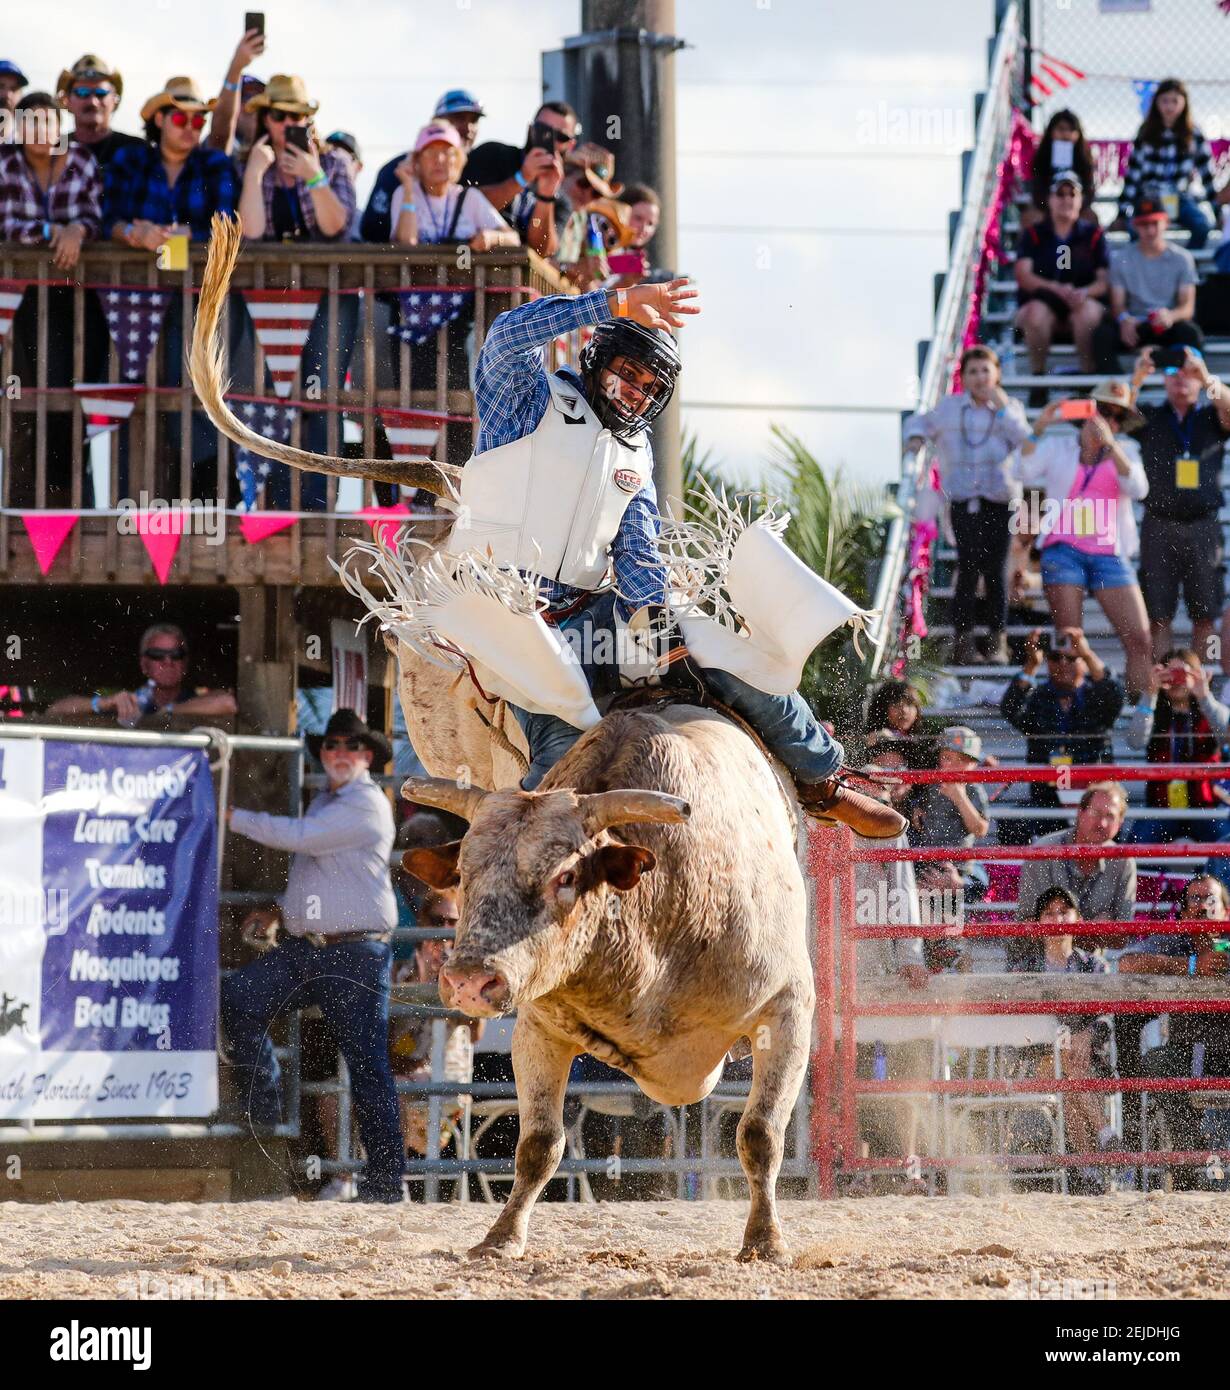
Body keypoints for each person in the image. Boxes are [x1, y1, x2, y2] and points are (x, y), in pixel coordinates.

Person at [451, 279, 905, 837]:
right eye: (628, 373)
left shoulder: (634, 452)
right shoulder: (527, 400)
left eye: (649, 387)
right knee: (566, 744)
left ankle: (823, 781)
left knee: (736, 659)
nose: (634, 392)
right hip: (506, 615)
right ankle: (505, 854)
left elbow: (637, 551)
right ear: (596, 359)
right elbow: (505, 337)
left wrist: (657, 630)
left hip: (591, 613)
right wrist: (611, 302)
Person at [223, 709, 404, 1203]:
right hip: (319, 948)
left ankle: (386, 1183)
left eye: (349, 746)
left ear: (367, 756)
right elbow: (322, 872)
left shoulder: (364, 804)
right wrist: (285, 911)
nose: (339, 753)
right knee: (238, 996)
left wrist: (231, 816)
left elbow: (299, 839)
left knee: (366, 1065)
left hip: (354, 953)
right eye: (331, 745)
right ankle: (271, 1113)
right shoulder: (335, 801)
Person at [238, 74, 358, 508]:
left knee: (321, 394)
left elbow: (335, 226)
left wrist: (313, 176)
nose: (287, 123)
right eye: (278, 115)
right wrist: (254, 172)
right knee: (272, 395)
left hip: (330, 296)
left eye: (297, 115)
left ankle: (317, 503)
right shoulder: (253, 161)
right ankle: (274, 503)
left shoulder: (334, 162)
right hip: (271, 299)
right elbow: (249, 231)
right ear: (264, 118)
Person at [1013, 382, 1151, 696]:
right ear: (1087, 413)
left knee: (1140, 639)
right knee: (1068, 639)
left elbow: (1139, 489)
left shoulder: (1126, 450)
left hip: (1108, 553)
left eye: (1117, 416)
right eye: (1102, 411)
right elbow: (1022, 470)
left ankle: (1141, 715)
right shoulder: (1060, 446)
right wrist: (1040, 426)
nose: (1108, 421)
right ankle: (1075, 715)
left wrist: (1112, 446)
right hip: (1063, 550)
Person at [1, 92, 102, 509]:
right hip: (15, 302)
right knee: (21, 401)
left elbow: (96, 219)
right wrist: (52, 232)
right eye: (31, 122)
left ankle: (68, 506)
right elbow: (6, 224)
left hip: (70, 302)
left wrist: (77, 231)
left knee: (67, 402)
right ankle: (22, 506)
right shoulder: (6, 164)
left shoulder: (82, 162)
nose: (40, 131)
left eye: (48, 122)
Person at [904, 345, 1030, 665]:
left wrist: (1000, 405)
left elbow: (1026, 441)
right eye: (973, 371)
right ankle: (962, 641)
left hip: (999, 501)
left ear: (997, 374)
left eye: (985, 370)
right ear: (964, 377)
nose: (979, 378)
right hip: (962, 501)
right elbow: (920, 422)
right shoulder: (950, 407)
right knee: (969, 568)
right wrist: (916, 439)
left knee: (996, 572)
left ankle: (996, 641)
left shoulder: (1009, 407)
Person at [1120, 873, 1230, 1189]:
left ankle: (1203, 1165)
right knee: (1156, 1062)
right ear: (1182, 913)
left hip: (1226, 1051)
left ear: (1225, 911)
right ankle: (1189, 1159)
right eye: (1194, 899)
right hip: (1186, 1049)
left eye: (1211, 899)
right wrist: (1193, 966)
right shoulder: (1175, 939)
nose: (1202, 906)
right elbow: (1128, 963)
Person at [1130, 347, 1230, 664]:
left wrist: (1206, 375)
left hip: (1203, 525)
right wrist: (1137, 377)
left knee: (1206, 615)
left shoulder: (1211, 416)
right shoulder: (1151, 417)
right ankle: (1160, 691)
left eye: (1188, 374)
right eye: (1173, 374)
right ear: (1163, 380)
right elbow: (1117, 416)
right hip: (1159, 523)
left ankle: (1201, 690)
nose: (1181, 380)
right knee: (1158, 615)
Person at [1010, 885, 1113, 1188]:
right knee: (1063, 1062)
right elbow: (1019, 1025)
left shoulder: (1095, 966)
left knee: (1067, 1078)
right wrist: (1069, 1039)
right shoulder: (1024, 969)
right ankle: (1104, 1134)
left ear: (1077, 919)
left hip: (1085, 1061)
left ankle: (1087, 1170)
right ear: (1038, 923)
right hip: (1037, 1060)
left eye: (1063, 911)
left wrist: (1088, 1034)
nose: (1056, 919)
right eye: (1048, 912)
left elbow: (1107, 1015)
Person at [1000, 630, 1125, 845]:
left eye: (1072, 658)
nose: (1063, 663)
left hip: (1093, 797)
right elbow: (1010, 708)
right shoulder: (1039, 697)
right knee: (1013, 823)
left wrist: (1087, 654)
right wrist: (1031, 664)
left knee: (1109, 821)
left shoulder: (1096, 696)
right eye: (1056, 657)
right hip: (1048, 797)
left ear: (1083, 662)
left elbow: (1115, 694)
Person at [103, 78, 239, 246]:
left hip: (201, 272)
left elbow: (229, 226)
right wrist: (133, 232)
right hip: (132, 272)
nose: (190, 127)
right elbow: (107, 220)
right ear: (159, 120)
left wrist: (187, 232)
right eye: (180, 119)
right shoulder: (129, 160)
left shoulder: (216, 164)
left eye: (197, 122)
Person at [1126, 649, 1229, 845]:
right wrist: (1150, 693)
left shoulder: (1209, 708)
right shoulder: (1153, 710)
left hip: (1206, 807)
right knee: (1137, 843)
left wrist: (1204, 696)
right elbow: (1135, 742)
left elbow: (1227, 738)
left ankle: (1210, 878)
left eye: (1182, 674)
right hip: (1161, 807)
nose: (1176, 681)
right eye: (1170, 674)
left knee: (1224, 842)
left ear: (1196, 674)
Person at [1014, 172, 1108, 385]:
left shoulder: (1093, 235)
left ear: (1080, 199)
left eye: (1071, 194)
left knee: (1087, 314)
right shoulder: (1034, 234)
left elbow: (1103, 282)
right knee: (1034, 314)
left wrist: (1083, 292)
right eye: (1060, 194)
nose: (1066, 200)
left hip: (1081, 303)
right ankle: (1038, 380)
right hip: (1043, 303)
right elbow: (1023, 275)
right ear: (1050, 199)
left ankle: (1087, 380)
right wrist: (1055, 288)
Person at [359, 89, 488, 242]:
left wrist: (490, 238)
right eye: (459, 118)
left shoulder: (481, 167)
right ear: (436, 120)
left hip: (464, 265)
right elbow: (372, 231)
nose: (468, 128)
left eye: (474, 121)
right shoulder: (396, 170)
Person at [46, 622, 237, 724]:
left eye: (176, 654)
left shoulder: (195, 701)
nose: (168, 661)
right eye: (157, 655)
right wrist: (103, 703)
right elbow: (54, 711)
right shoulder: (132, 700)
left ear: (185, 664)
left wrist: (169, 711)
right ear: (144, 664)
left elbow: (227, 703)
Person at [1115, 78, 1227, 251]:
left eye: (1175, 101)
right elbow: (1132, 176)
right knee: (1136, 229)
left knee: (1202, 226)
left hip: (1179, 198)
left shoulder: (1194, 135)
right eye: (1165, 101)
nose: (1169, 106)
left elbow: (1207, 177)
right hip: (1149, 196)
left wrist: (1217, 213)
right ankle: (1145, 271)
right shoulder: (1145, 133)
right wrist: (1122, 214)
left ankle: (1184, 266)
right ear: (1156, 103)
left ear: (1184, 103)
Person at [1094, 197, 1203, 374]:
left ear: (1165, 223)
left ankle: (1172, 375)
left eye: (1155, 223)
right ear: (1135, 226)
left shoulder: (1182, 258)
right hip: (1135, 325)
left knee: (1191, 334)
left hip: (1167, 324)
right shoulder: (1121, 258)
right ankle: (1117, 388)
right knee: (1102, 335)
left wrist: (1170, 316)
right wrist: (1124, 320)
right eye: (1144, 224)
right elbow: (1117, 304)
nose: (1150, 230)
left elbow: (1187, 307)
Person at [1013, 781, 1136, 932]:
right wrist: (1090, 929)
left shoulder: (1123, 862)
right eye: (1095, 813)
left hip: (1091, 956)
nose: (1102, 823)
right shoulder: (1043, 851)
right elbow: (1027, 925)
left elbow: (1122, 935)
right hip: (1038, 955)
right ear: (1080, 812)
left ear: (1120, 822)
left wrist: (1059, 923)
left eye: (1110, 816)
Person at [57, 55, 142, 168]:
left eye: (101, 93)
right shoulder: (54, 151)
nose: (93, 102)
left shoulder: (138, 151)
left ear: (115, 99)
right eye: (82, 92)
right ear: (66, 100)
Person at [1022, 108, 1096, 228]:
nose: (1066, 134)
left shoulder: (1084, 158)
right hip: (1045, 207)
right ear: (1051, 131)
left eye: (1071, 130)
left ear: (1078, 133)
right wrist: (1052, 207)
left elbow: (1089, 190)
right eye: (1061, 129)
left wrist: (1074, 207)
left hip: (1076, 207)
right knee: (1031, 218)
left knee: (1090, 218)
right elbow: (1036, 189)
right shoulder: (1042, 157)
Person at [205, 23, 266, 158]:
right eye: (245, 100)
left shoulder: (273, 149)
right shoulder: (230, 147)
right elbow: (221, 135)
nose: (251, 110)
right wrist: (236, 66)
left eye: (259, 105)